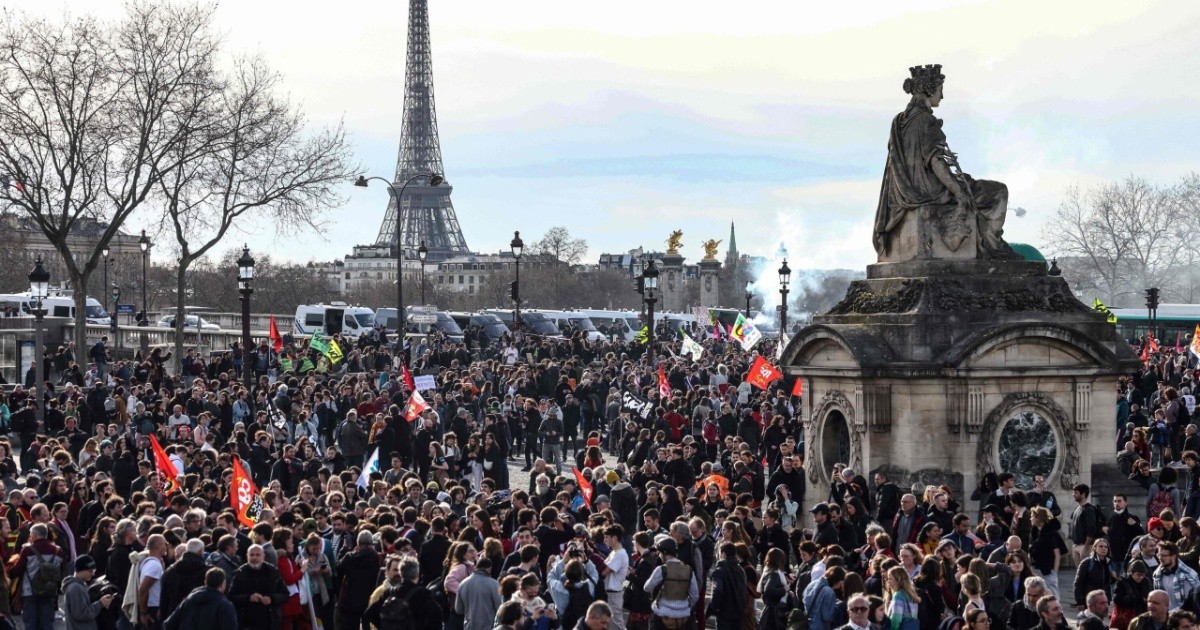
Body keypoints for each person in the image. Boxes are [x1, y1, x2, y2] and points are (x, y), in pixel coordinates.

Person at [362, 557, 442, 630]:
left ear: (401, 574)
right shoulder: (424, 594)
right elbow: (436, 618)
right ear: (417, 575)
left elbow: (369, 613)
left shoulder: (390, 592)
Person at [9, 522, 63, 630]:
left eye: (31, 534)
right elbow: (61, 569)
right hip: (49, 589)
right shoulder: (58, 550)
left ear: (35, 534)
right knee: (47, 621)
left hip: (30, 590)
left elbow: (18, 570)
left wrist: (9, 570)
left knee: (31, 621)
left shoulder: (28, 550)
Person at [228, 544, 289, 630]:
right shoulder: (240, 573)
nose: (254, 558)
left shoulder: (272, 571)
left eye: (257, 555)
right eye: (251, 555)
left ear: (263, 556)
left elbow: (285, 594)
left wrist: (271, 599)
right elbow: (231, 596)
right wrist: (248, 598)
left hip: (270, 620)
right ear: (247, 556)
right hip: (247, 621)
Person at [643, 537, 698, 630]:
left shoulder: (661, 569)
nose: (659, 555)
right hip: (683, 617)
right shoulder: (689, 569)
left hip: (662, 615)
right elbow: (695, 595)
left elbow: (647, 588)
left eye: (660, 553)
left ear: (664, 553)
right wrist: (685, 606)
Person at [164, 568, 239, 630]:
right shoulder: (225, 605)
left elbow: (168, 625)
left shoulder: (188, 601)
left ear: (205, 582)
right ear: (222, 584)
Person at [62, 554, 116, 630]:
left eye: (94, 571)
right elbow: (81, 614)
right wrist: (100, 603)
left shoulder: (79, 585)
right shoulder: (75, 588)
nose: (93, 574)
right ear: (80, 570)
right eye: (90, 571)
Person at [706, 542, 747, 630]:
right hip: (738, 612)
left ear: (723, 554)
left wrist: (714, 607)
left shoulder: (719, 570)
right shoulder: (741, 569)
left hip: (724, 613)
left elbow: (718, 590)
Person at [455, 557, 502, 630]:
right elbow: (500, 607)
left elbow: (459, 609)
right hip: (489, 626)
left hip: (469, 626)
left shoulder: (463, 583)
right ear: (490, 568)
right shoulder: (493, 584)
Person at [883, 566, 919, 630]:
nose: (888, 581)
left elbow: (896, 618)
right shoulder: (911, 594)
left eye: (890, 578)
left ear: (898, 579)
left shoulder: (898, 595)